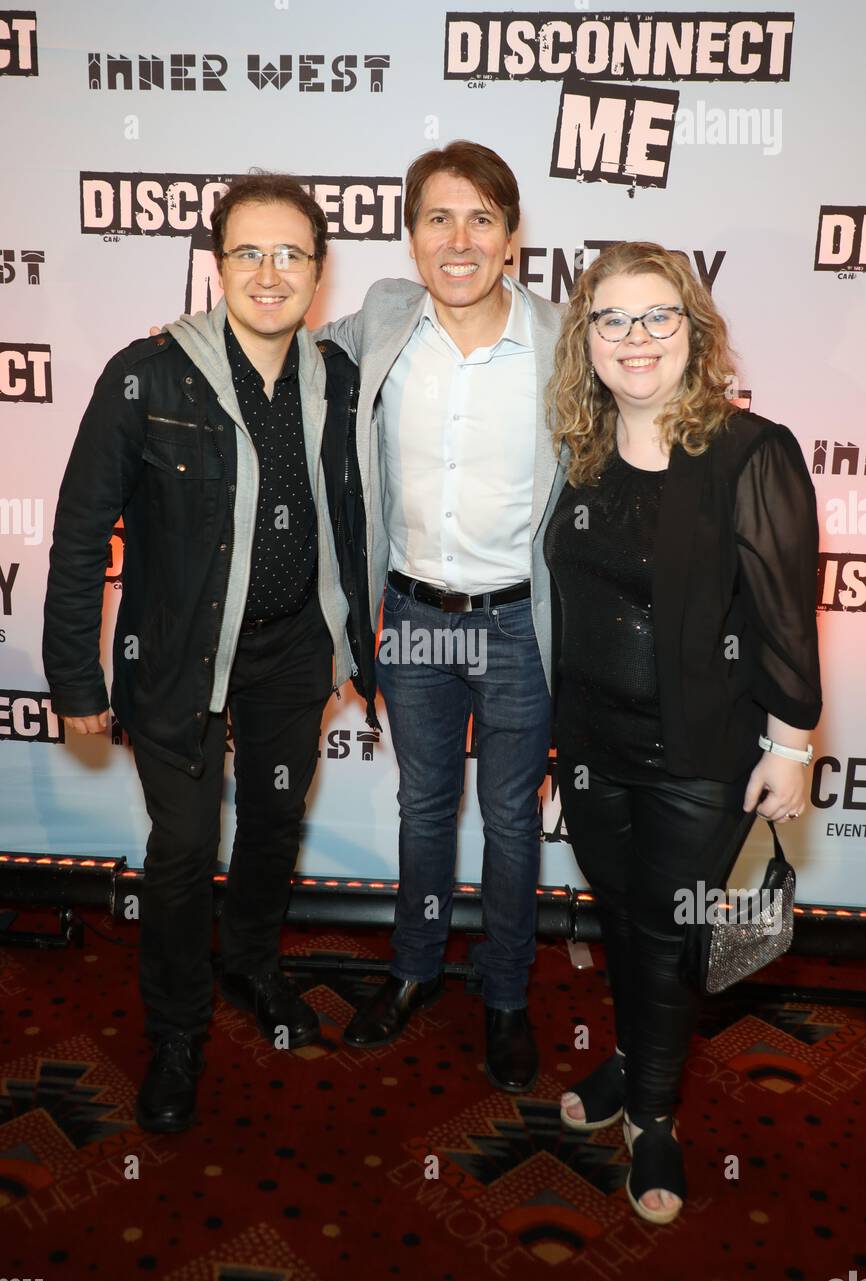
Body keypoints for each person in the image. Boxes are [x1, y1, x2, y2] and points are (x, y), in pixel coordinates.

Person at [43, 173, 376, 1135]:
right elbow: (77, 536)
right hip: (183, 656)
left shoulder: (336, 380)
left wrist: (357, 639)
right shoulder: (145, 373)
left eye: (292, 254)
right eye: (248, 252)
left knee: (274, 825)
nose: (270, 273)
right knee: (184, 850)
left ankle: (253, 964)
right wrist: (76, 676)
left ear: (319, 269)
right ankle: (178, 1032)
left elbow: (354, 520)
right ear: (215, 264)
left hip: (292, 656)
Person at [543, 241, 821, 1222]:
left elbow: (787, 611)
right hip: (586, 748)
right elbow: (570, 611)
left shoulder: (750, 453)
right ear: (585, 339)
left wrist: (790, 747)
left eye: (656, 315)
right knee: (620, 917)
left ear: (692, 331)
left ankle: (653, 1116)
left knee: (666, 933)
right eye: (610, 319)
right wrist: (550, 748)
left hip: (697, 757)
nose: (634, 338)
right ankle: (628, 1061)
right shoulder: (580, 452)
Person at [318, 141, 566, 1091]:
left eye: (482, 219)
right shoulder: (382, 317)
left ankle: (505, 995)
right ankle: (415, 973)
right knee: (422, 808)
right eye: (438, 218)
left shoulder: (561, 336)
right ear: (410, 234)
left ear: (511, 238)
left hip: (517, 625)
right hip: (414, 617)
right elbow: (282, 345)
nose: (458, 240)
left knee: (509, 820)